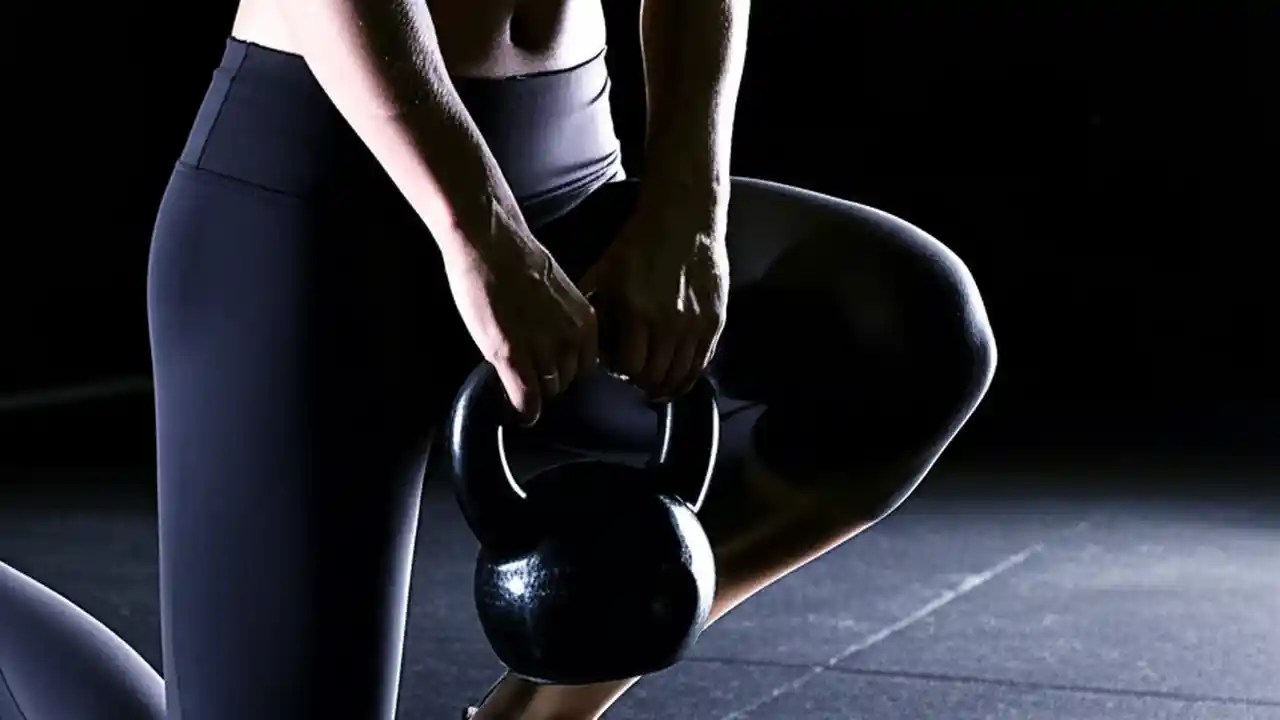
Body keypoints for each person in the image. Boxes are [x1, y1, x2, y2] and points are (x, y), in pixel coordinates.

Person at [0, 0, 997, 717]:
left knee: (907, 331)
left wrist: (688, 210)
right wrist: (476, 234)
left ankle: (537, 717)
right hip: (311, 204)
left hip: (566, 182)